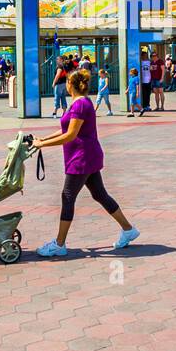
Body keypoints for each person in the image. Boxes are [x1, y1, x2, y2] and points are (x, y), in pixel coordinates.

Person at [33, 69, 138, 257]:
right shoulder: (80, 103)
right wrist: (43, 139)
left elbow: (70, 135)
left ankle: (59, 244)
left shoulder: (80, 104)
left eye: (66, 82)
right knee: (100, 194)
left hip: (81, 158)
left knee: (67, 196)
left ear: (70, 84)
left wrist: (43, 145)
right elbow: (66, 129)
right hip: (87, 156)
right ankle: (128, 229)